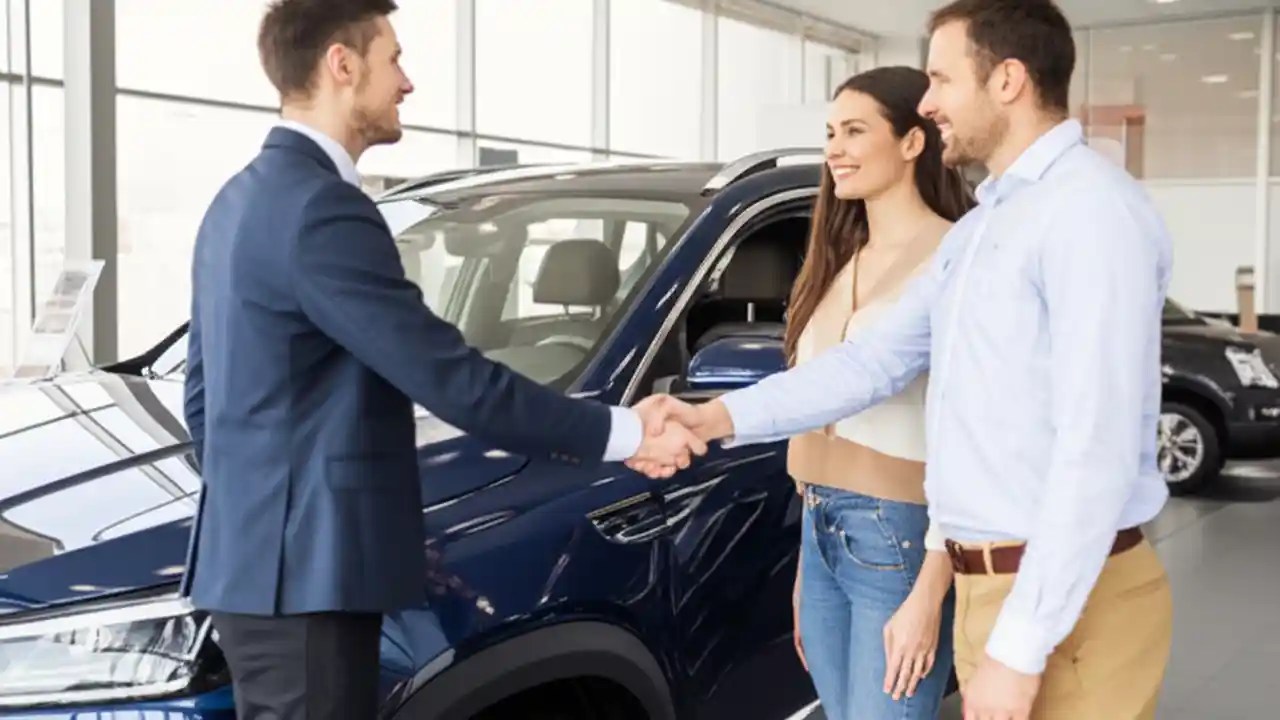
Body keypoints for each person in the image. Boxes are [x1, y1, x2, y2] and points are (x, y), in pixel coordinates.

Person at [634, 1, 1175, 718]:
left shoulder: (1088, 213)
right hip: (994, 583)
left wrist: (1017, 650)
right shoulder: (983, 230)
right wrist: (710, 418)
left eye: (941, 80)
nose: (927, 104)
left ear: (1007, 79)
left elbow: (1095, 451)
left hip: (1069, 592)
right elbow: (868, 366)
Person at [180, 1, 700, 718]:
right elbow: (454, 381)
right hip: (309, 583)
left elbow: (204, 401)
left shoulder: (236, 200)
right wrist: (628, 433)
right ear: (342, 63)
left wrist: (265, 522)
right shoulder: (323, 210)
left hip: (259, 574)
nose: (408, 83)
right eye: (394, 58)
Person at [778, 66, 973, 720]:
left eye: (855, 131)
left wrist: (930, 591)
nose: (834, 148)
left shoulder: (954, 257)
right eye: (831, 132)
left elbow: (967, 435)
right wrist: (810, 563)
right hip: (821, 525)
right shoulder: (836, 258)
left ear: (913, 142)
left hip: (899, 536)